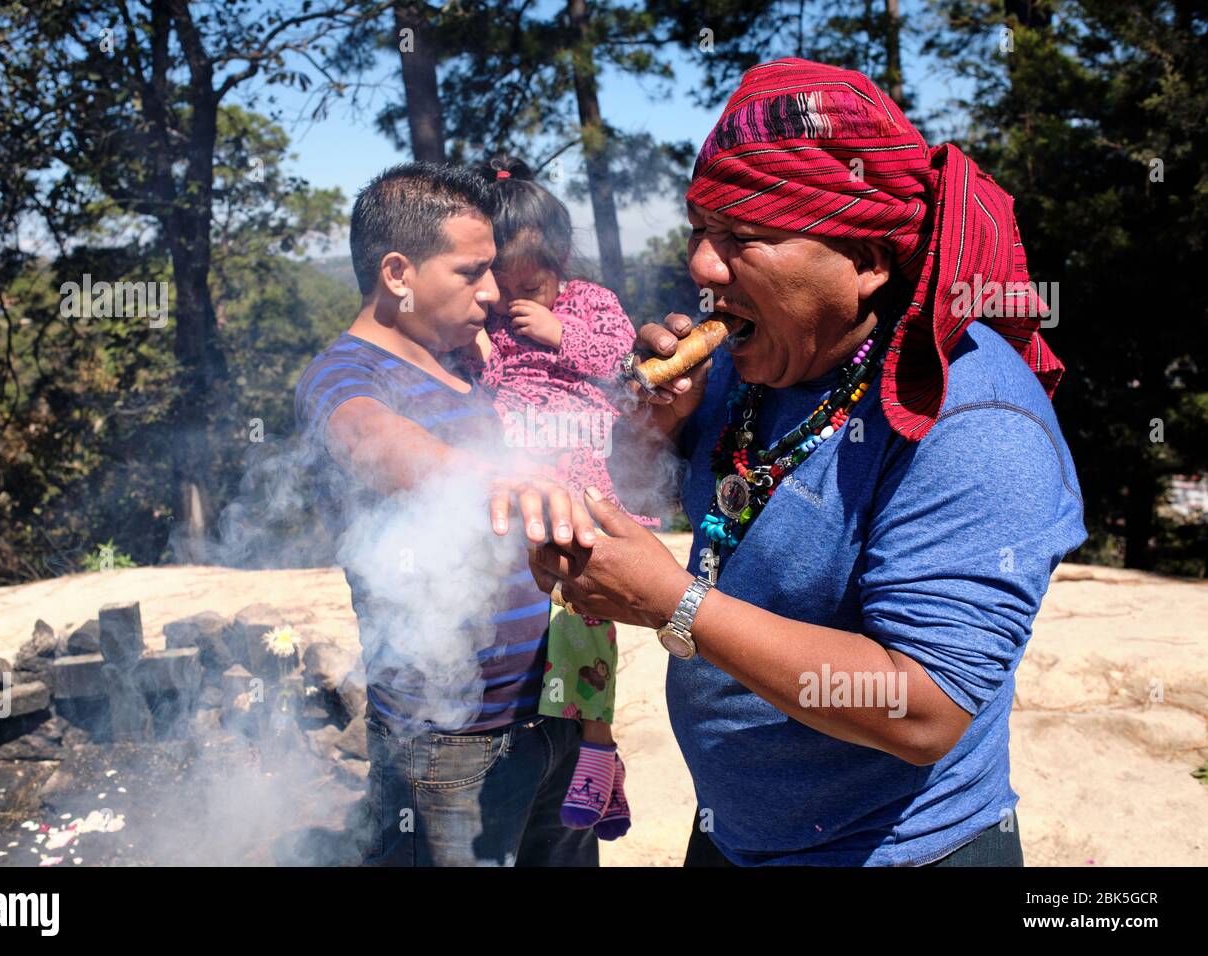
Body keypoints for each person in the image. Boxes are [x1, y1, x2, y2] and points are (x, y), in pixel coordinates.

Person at [521, 59, 1088, 866]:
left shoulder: (972, 421)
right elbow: (720, 509)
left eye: (743, 238)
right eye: (700, 229)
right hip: (733, 835)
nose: (704, 266)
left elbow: (922, 708)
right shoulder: (756, 366)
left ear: (866, 260)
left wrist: (675, 606)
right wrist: (655, 429)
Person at [294, 162, 601, 866]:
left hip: (553, 710)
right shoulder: (345, 373)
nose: (492, 294)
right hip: (452, 744)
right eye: (471, 273)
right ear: (397, 273)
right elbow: (370, 437)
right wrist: (510, 483)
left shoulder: (469, 364)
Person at [457, 155, 657, 839]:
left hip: (576, 487)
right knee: (517, 622)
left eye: (530, 284)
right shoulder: (490, 322)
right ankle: (563, 753)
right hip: (514, 488)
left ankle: (599, 751)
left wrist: (561, 334)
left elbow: (628, 363)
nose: (516, 299)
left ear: (560, 259)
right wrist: (483, 356)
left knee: (581, 615)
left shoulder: (589, 304)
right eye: (502, 284)